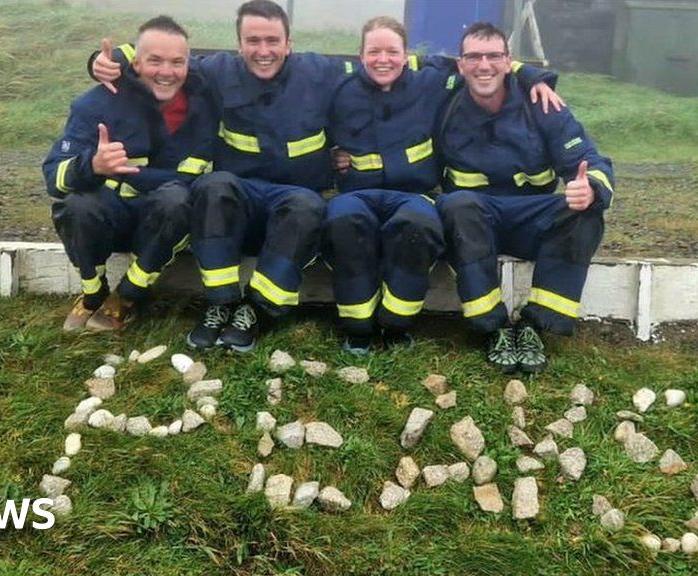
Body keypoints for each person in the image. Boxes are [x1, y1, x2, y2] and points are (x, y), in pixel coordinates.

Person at [90, 1, 342, 352]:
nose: (263, 51)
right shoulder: (218, 71)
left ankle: (256, 310)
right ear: (239, 44)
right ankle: (221, 303)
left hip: (297, 197)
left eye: (273, 41)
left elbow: (383, 67)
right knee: (213, 185)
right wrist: (106, 60)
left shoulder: (320, 71)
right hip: (240, 197)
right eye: (253, 41)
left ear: (289, 43)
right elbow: (164, 59)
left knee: (304, 206)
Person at [324, 17, 561, 354]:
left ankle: (396, 324)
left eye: (392, 51)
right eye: (374, 51)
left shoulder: (431, 81)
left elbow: (479, 63)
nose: (383, 59)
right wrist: (329, 156)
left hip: (415, 194)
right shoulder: (338, 87)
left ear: (406, 54)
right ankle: (357, 326)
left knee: (418, 225)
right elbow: (304, 123)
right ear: (360, 55)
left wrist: (531, 75)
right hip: (355, 194)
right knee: (343, 221)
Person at [434, 22, 614, 373]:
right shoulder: (444, 100)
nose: (483, 65)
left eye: (493, 57)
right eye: (473, 57)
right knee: (456, 204)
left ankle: (536, 326)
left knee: (585, 212)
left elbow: (589, 158)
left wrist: (589, 186)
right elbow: (408, 65)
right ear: (460, 64)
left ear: (508, 61)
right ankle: (493, 327)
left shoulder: (542, 104)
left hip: (531, 218)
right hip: (471, 222)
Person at [43, 16, 217, 332]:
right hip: (112, 218)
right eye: (155, 61)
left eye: (177, 62)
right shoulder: (96, 103)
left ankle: (127, 296)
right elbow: (53, 175)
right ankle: (93, 294)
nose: (167, 72)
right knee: (77, 204)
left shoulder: (207, 102)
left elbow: (252, 59)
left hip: (169, 224)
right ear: (135, 63)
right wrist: (92, 166)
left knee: (177, 199)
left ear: (189, 64)